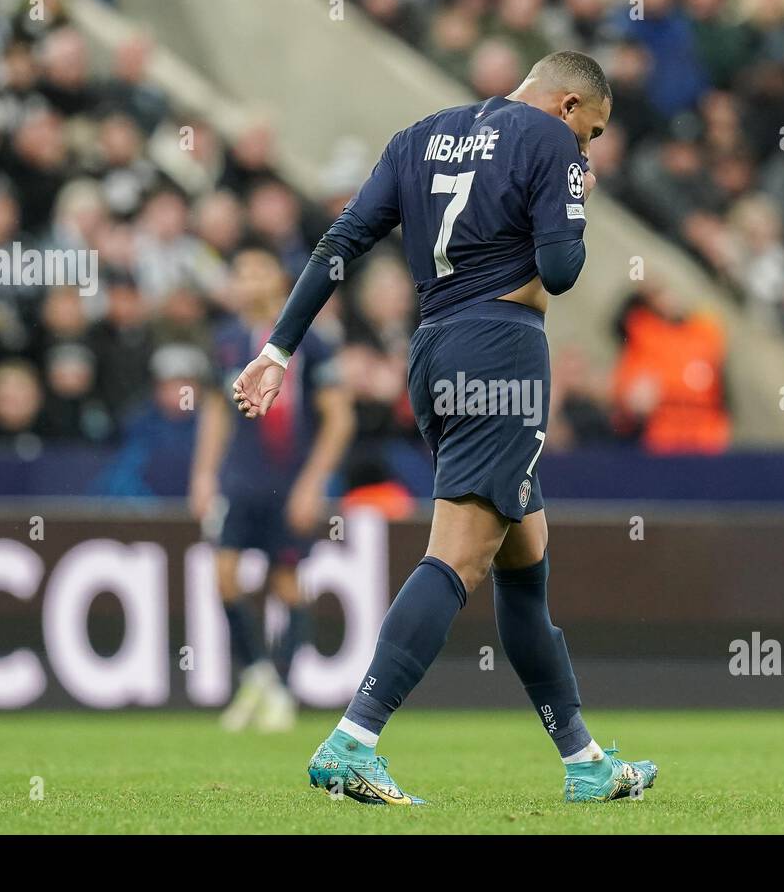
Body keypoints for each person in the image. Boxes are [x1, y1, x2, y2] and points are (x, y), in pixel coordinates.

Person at [232, 51, 657, 804]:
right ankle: (353, 739)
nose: (585, 150)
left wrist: (277, 349)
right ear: (565, 107)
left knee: (523, 560)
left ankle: (583, 760)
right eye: (588, 132)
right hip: (501, 353)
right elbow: (559, 270)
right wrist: (574, 200)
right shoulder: (551, 144)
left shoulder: (421, 135)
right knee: (459, 558)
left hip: (434, 353)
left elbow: (342, 243)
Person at [192, 248, 353, 732]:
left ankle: (278, 685)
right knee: (223, 575)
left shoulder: (313, 341)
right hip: (241, 480)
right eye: (239, 272)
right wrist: (202, 475)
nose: (247, 280)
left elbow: (339, 418)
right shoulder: (224, 341)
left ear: (279, 279)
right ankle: (262, 680)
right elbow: (217, 412)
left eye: (257, 269)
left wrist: (313, 483)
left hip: (289, 481)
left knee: (286, 585)